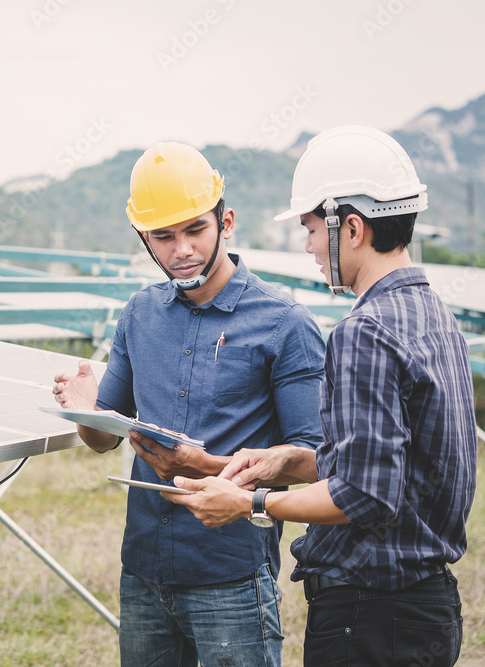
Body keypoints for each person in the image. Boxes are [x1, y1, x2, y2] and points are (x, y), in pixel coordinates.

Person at [166, 126, 477, 667]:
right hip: (426, 607)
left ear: (350, 227)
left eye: (311, 228)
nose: (307, 245)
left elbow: (365, 496)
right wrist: (295, 460)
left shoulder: (367, 331)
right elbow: (392, 470)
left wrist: (249, 503)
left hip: (370, 616)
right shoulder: (434, 315)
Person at [52, 142, 325, 666]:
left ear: (226, 220)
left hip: (232, 576)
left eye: (195, 229)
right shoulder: (139, 314)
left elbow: (313, 462)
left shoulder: (284, 323)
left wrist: (206, 466)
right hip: (144, 575)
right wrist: (85, 408)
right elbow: (105, 438)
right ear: (144, 238)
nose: (181, 250)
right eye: (163, 235)